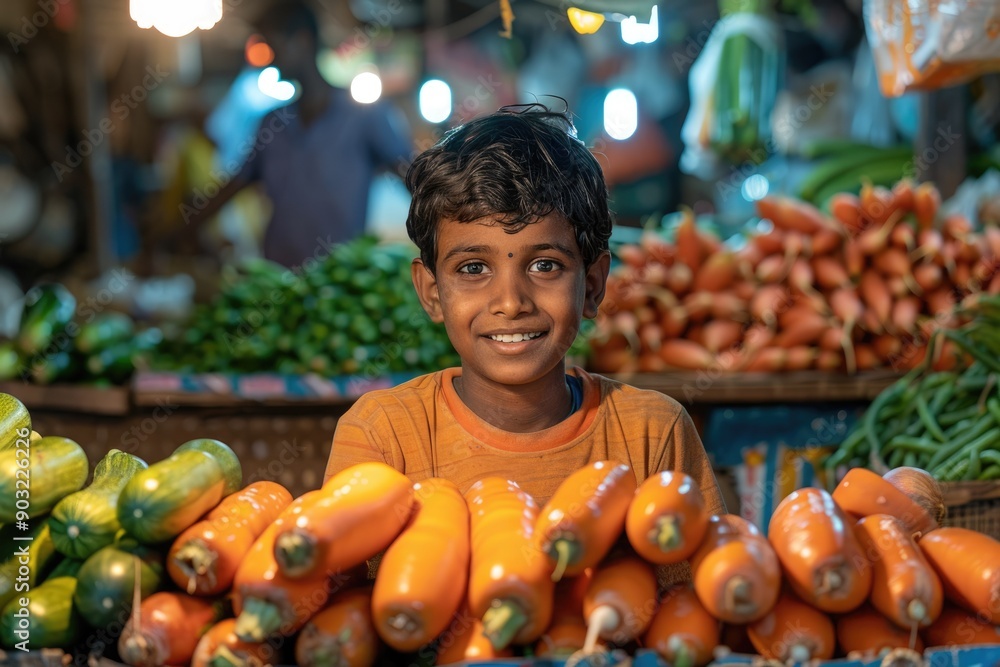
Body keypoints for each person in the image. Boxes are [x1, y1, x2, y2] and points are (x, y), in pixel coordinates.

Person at [324, 103, 725, 526]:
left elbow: (703, 583)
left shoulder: (652, 435)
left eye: (545, 265)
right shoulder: (384, 437)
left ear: (592, 286)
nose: (512, 303)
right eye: (473, 269)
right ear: (432, 292)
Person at [182, 0, 413, 267]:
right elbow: (235, 183)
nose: (270, 57)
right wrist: (184, 227)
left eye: (275, 45)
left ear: (302, 41)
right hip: (279, 278)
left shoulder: (363, 116)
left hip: (342, 280)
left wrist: (448, 224)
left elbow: (409, 176)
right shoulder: (273, 122)